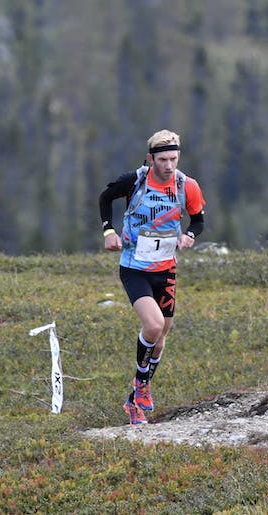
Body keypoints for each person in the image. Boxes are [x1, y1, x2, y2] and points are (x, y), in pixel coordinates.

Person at [98, 130, 206, 425]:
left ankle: (135, 402)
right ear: (151, 159)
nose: (169, 166)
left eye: (173, 159)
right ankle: (141, 385)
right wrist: (109, 231)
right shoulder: (135, 180)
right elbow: (105, 197)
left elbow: (198, 219)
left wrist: (190, 235)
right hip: (134, 268)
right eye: (162, 160)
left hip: (166, 269)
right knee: (154, 325)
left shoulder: (187, 186)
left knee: (161, 338)